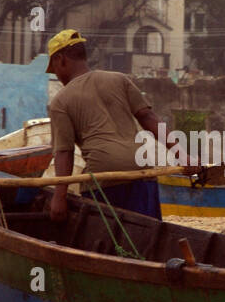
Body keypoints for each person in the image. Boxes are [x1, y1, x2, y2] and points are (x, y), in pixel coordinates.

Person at [45, 29, 169, 222]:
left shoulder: (60, 101)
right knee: (148, 235)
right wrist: (181, 154)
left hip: (104, 178)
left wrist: (59, 197)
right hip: (142, 170)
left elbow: (64, 152)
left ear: (61, 60)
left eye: (54, 68)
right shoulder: (119, 79)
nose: (57, 75)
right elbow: (148, 117)